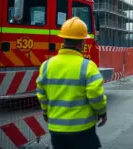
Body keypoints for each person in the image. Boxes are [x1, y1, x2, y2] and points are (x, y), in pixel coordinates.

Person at [36, 17, 107, 149]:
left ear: (63, 40)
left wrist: (46, 113)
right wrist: (102, 113)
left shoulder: (47, 65)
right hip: (83, 129)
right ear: (81, 43)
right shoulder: (88, 66)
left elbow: (42, 95)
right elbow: (95, 94)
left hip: (56, 130)